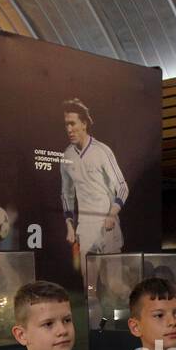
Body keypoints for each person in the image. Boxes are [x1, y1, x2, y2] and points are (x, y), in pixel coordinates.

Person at [61, 98, 127, 261]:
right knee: (89, 284)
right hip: (85, 228)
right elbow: (66, 195)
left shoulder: (102, 151)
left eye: (73, 123)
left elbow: (123, 187)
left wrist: (112, 215)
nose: (69, 129)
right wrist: (69, 226)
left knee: (113, 283)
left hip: (107, 226)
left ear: (84, 124)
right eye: (66, 124)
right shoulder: (66, 156)